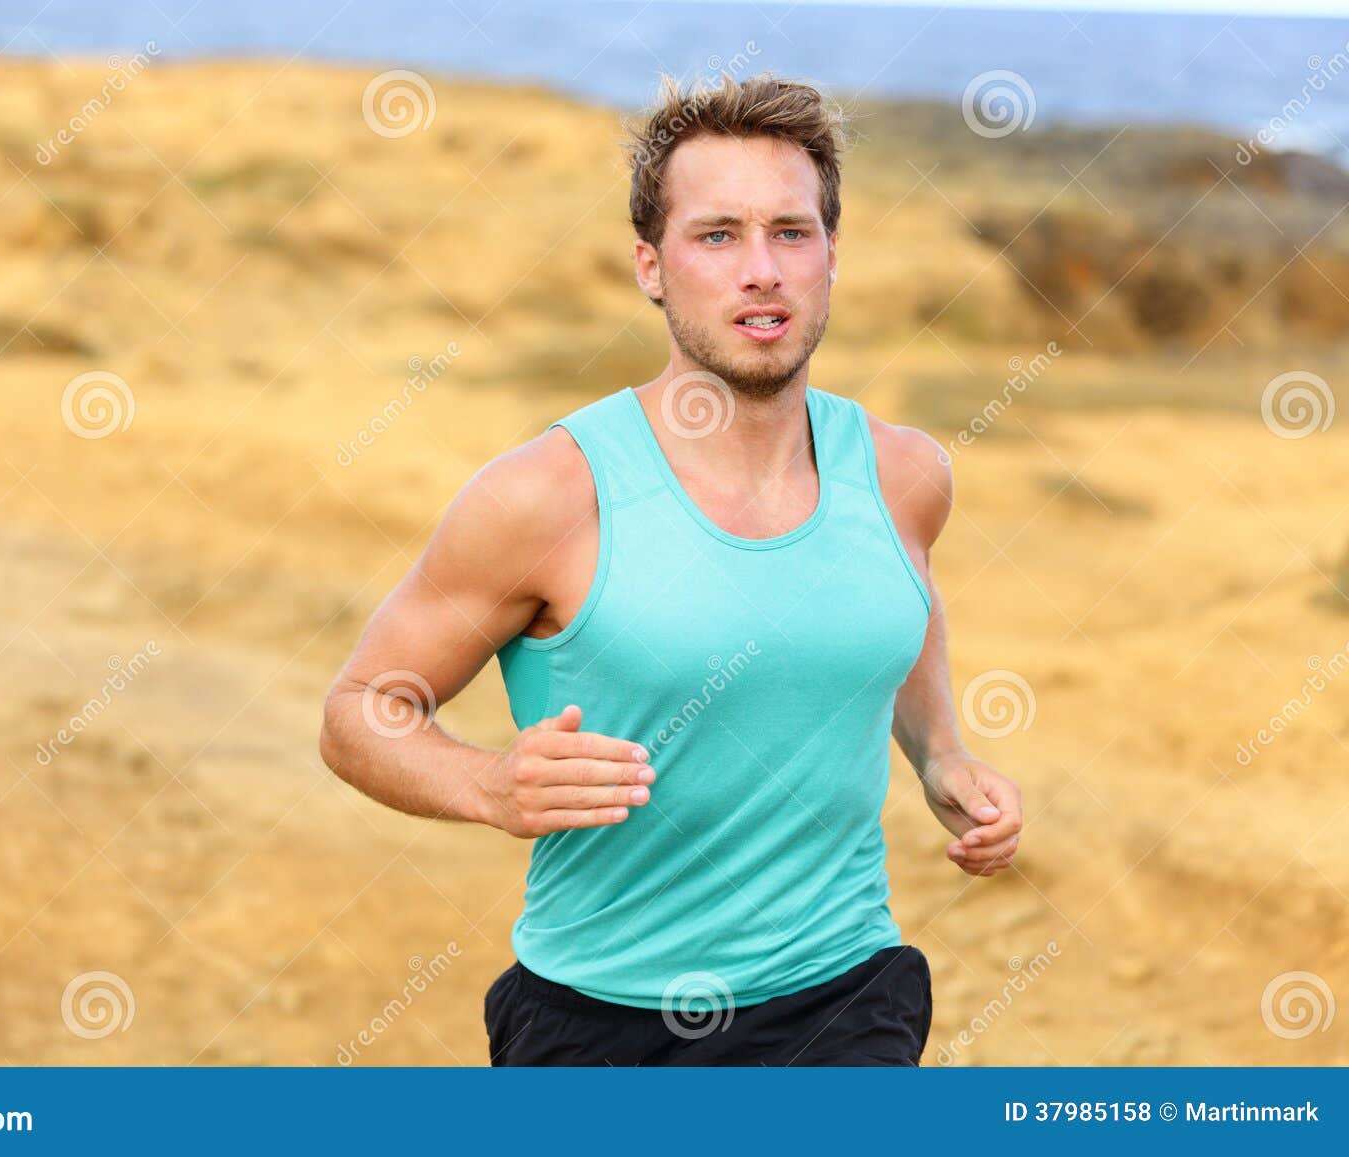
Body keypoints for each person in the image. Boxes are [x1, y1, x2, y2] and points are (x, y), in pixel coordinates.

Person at [319, 72, 1023, 1066]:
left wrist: (943, 751)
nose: (761, 269)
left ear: (832, 254)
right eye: (717, 235)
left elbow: (892, 605)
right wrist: (488, 786)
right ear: (650, 265)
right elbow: (358, 709)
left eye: (790, 231)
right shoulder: (547, 495)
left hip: (843, 992)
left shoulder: (905, 474)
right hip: (601, 1019)